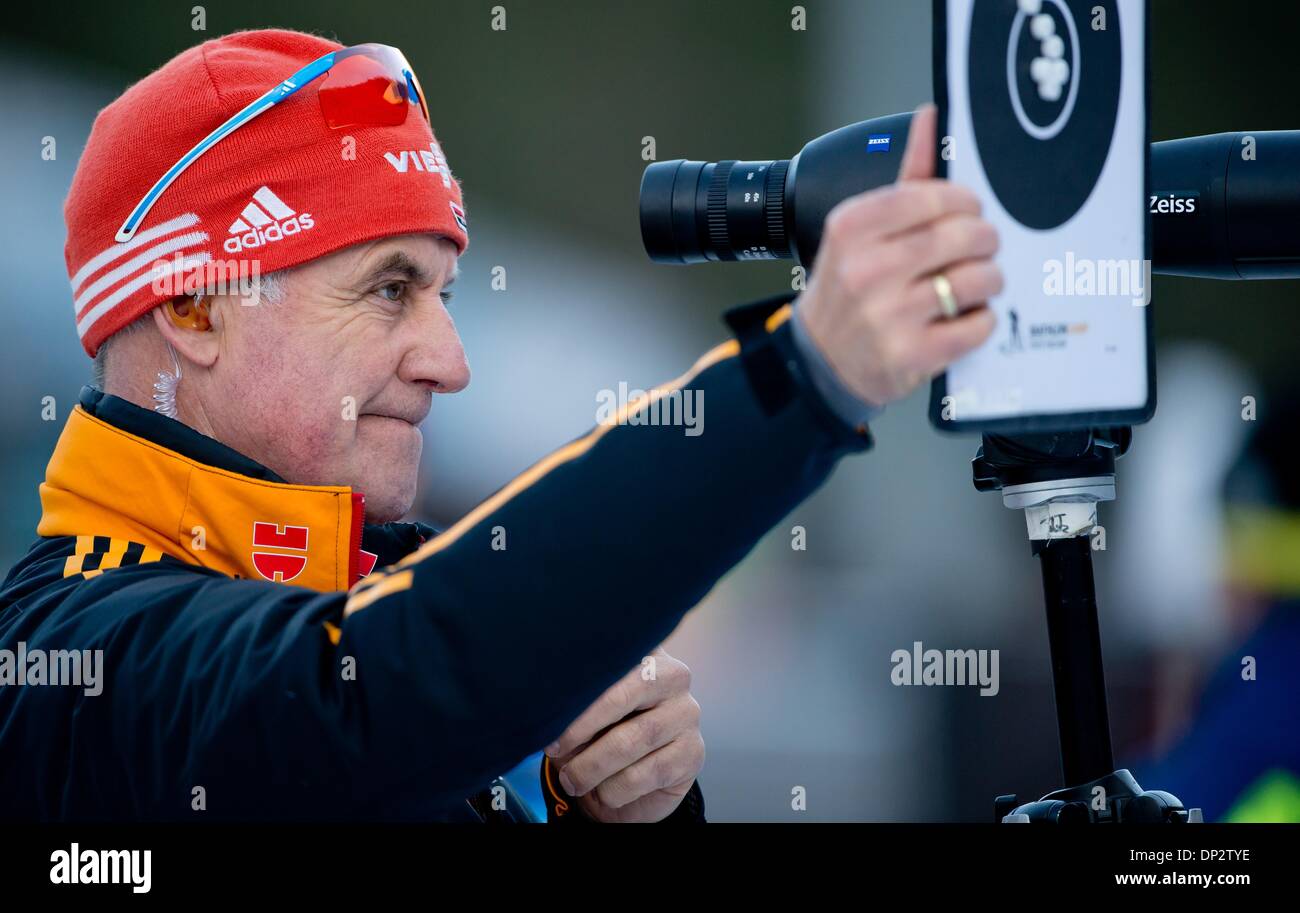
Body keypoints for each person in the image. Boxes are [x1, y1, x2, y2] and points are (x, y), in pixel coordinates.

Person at [0, 29, 1001, 821]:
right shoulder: (70, 657)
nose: (451, 360)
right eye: (389, 288)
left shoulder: (370, 582)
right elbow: (375, 692)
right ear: (194, 307)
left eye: (444, 292)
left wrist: (604, 809)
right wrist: (804, 376)